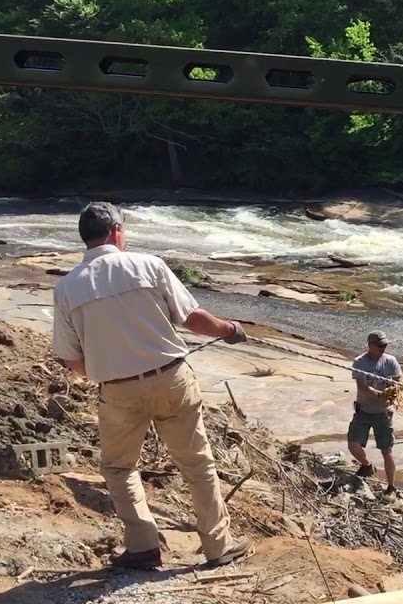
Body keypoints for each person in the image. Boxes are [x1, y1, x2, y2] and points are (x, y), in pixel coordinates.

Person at [51, 201, 253, 570]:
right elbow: (192, 318)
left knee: (119, 468)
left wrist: (108, 368)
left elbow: (73, 362)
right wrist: (230, 329)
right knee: (197, 464)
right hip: (172, 378)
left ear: (86, 239)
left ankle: (143, 547)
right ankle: (218, 547)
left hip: (118, 391)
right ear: (116, 231)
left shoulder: (67, 288)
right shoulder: (148, 265)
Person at [348, 330, 403, 496]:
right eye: (380, 346)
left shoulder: (391, 361)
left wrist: (393, 390)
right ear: (370, 345)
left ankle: (391, 487)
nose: (383, 348)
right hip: (364, 410)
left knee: (387, 450)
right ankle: (367, 465)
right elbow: (362, 387)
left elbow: (398, 381)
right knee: (353, 445)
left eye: (385, 345)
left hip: (383, 413)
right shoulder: (360, 362)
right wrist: (380, 394)